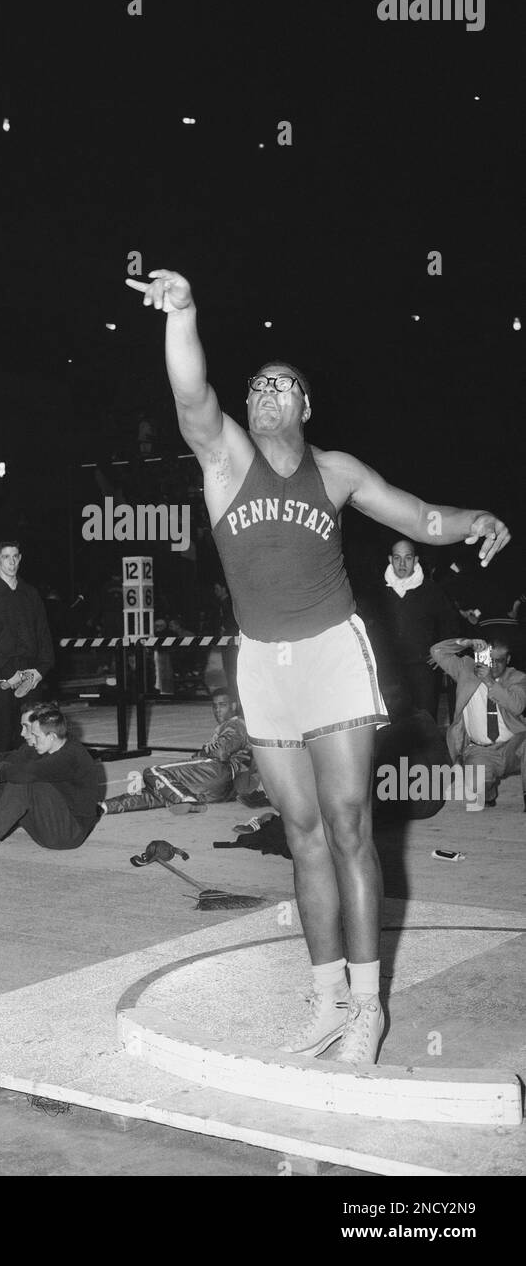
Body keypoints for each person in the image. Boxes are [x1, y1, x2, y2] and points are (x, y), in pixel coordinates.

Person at [127, 266, 510, 1064]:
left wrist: (475, 518)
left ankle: (369, 1007)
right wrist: (183, 313)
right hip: (263, 664)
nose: (266, 393)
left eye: (283, 386)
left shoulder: (335, 471)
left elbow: (419, 516)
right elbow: (192, 394)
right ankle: (327, 998)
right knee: (301, 834)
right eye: (258, 385)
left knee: (346, 826)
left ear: (305, 406)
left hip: (335, 654)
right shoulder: (226, 458)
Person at [0, 705, 103, 859]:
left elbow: (27, 774)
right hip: (48, 825)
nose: (27, 735)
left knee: (24, 780)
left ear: (51, 735)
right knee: (11, 771)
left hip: (68, 833)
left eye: (34, 733)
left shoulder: (70, 755)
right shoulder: (45, 745)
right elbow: (6, 758)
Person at [430, 636, 526, 811]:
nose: (493, 665)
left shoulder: (518, 678)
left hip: (514, 746)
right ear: (479, 656)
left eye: (499, 661)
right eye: (489, 659)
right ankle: (488, 794)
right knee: (477, 788)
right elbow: (437, 651)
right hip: (481, 750)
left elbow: (517, 706)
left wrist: (489, 681)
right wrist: (465, 643)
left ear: (508, 660)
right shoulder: (466, 670)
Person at [0, 540, 54, 757]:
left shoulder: (31, 594)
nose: (11, 562)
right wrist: (5, 673)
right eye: (5, 557)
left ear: (20, 558)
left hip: (30, 675)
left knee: (33, 735)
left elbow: (43, 634)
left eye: (15, 557)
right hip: (1, 676)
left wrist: (41, 670)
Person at [370, 538, 459, 719]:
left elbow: (450, 623)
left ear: (416, 560)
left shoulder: (431, 589)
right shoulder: (377, 591)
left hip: (423, 670)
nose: (402, 563)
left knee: (426, 720)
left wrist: (442, 652)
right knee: (395, 723)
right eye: (397, 558)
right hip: (390, 671)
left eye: (408, 558)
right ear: (390, 559)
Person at [139, 687, 255, 813]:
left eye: (222, 705)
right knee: (160, 793)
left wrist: (202, 752)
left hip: (220, 775)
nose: (217, 710)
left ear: (234, 705)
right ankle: (114, 805)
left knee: (153, 771)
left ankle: (186, 800)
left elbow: (221, 753)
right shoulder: (231, 725)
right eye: (214, 706)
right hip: (224, 788)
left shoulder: (235, 724)